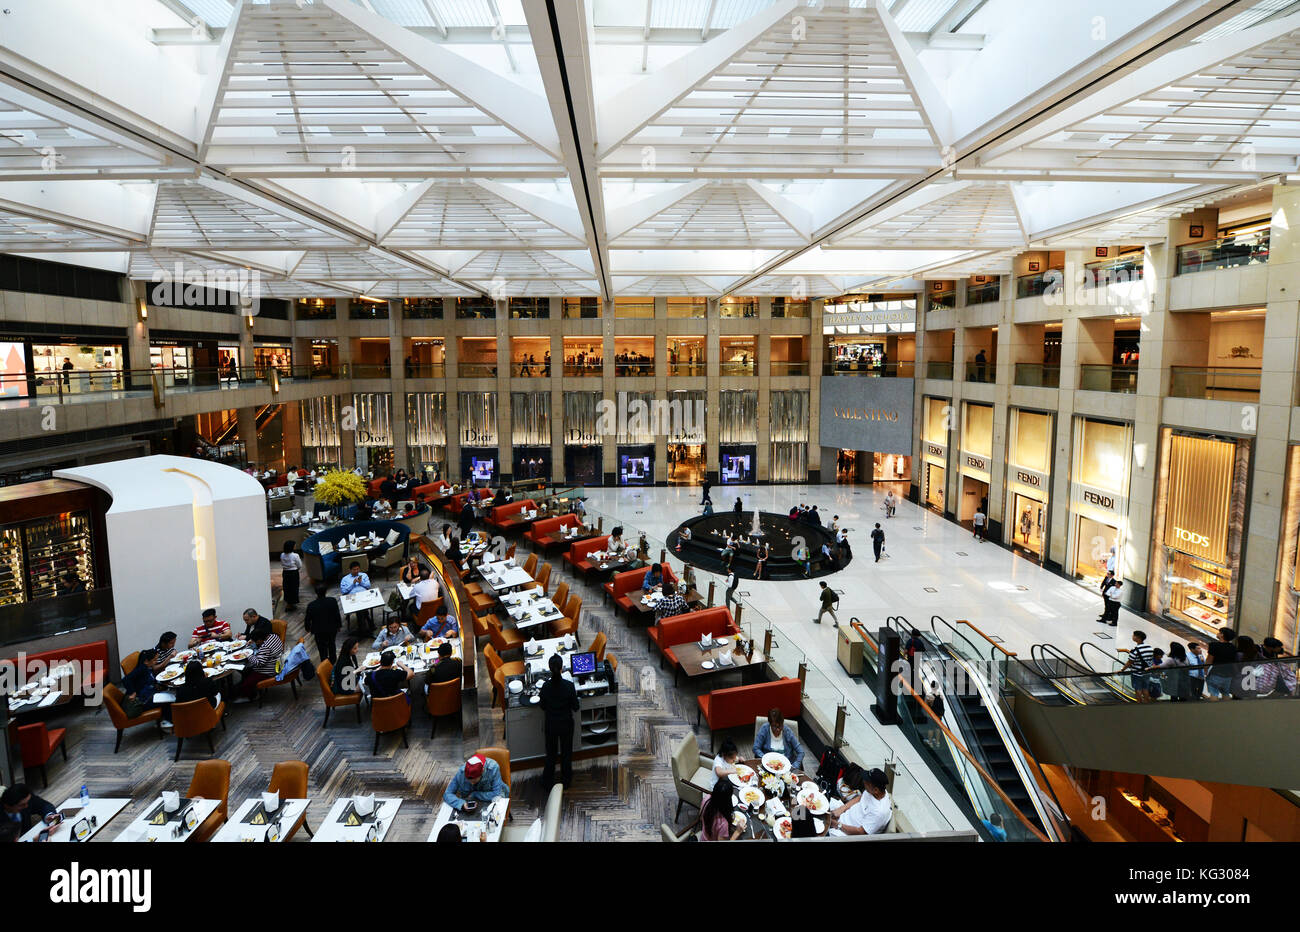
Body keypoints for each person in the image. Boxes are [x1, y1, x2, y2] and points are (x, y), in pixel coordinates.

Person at [539, 653, 580, 788]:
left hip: (551, 725)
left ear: (550, 668)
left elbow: (543, 706)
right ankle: (566, 781)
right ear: (562, 668)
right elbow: (575, 707)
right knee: (566, 754)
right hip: (566, 725)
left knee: (550, 755)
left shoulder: (545, 686)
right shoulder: (569, 686)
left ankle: (547, 782)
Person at [829, 767, 891, 836]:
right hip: (842, 817)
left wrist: (836, 825)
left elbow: (860, 832)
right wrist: (842, 809)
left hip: (844, 833)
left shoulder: (879, 812)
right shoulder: (876, 791)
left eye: (867, 782)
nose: (863, 782)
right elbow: (861, 797)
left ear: (876, 790)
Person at [444, 754, 509, 812]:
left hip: (491, 802)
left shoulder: (493, 768)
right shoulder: (461, 773)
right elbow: (447, 793)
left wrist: (475, 794)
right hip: (469, 805)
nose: (472, 783)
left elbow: (497, 794)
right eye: (468, 780)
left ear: (482, 771)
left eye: (474, 780)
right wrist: (461, 804)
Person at [236, 625, 284, 700]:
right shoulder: (273, 636)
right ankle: (248, 688)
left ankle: (252, 696)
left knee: (246, 684)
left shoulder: (266, 647)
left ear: (259, 640)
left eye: (256, 641)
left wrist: (248, 655)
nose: (256, 643)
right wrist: (254, 642)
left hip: (269, 670)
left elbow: (259, 663)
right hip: (277, 663)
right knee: (246, 672)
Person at [120, 648, 164, 718]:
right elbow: (125, 679)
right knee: (167, 701)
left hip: (148, 692)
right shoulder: (142, 669)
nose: (156, 662)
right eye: (154, 660)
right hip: (142, 701)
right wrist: (133, 692)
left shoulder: (147, 667)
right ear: (146, 661)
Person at [304, 585, 342, 664]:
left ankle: (324, 664)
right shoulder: (332, 601)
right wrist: (339, 625)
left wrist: (308, 628)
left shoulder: (311, 605)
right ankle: (333, 661)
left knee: (322, 649)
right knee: (332, 644)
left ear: (316, 593)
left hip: (319, 631)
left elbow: (308, 619)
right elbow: (337, 614)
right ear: (326, 591)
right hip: (332, 629)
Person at [699, 775, 744, 841]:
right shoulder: (723, 823)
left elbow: (701, 817)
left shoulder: (707, 798)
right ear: (728, 799)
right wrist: (737, 832)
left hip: (703, 837)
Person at [1120, 630, 1156, 702]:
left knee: (1138, 689)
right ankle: (1147, 704)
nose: (1132, 637)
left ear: (1138, 638)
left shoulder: (1135, 650)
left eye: (1133, 635)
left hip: (1137, 673)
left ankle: (1139, 703)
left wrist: (1122, 669)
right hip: (1147, 672)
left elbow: (1130, 662)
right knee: (1145, 688)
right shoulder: (1150, 648)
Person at [1205, 627, 1238, 699]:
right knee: (1226, 693)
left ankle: (1215, 709)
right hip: (1228, 674)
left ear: (1222, 635)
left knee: (1214, 693)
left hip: (1216, 673)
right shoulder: (1233, 647)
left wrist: (1205, 670)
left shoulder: (1214, 645)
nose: (1217, 633)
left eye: (1219, 632)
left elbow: (1209, 660)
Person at [280, 541, 303, 609]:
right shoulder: (295, 555)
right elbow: (299, 565)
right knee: (294, 587)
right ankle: (292, 603)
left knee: (287, 587)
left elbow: (282, 563)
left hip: (285, 573)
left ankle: (288, 602)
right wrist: (296, 569)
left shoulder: (282, 555)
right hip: (293, 573)